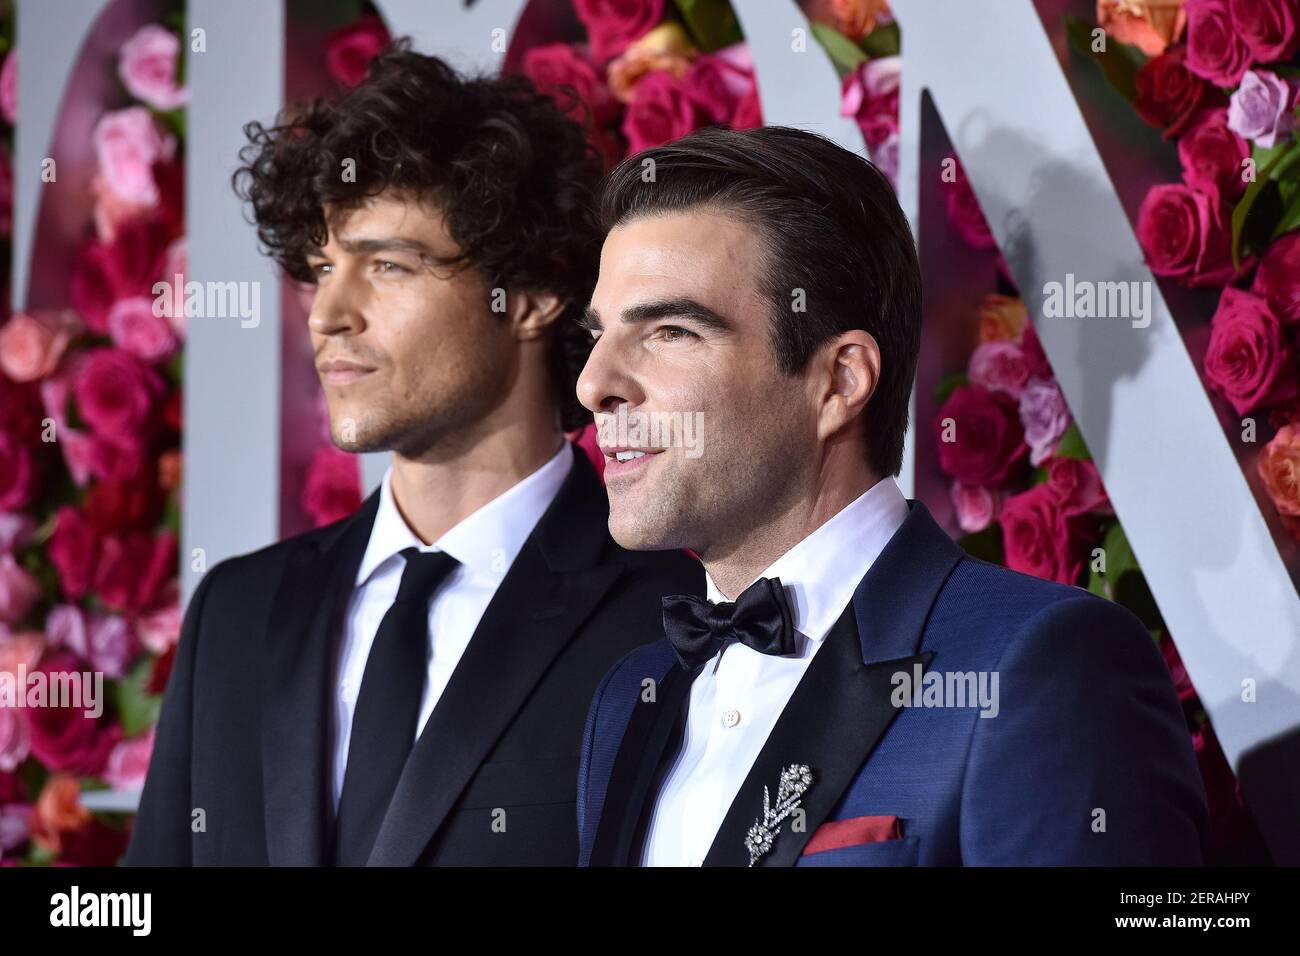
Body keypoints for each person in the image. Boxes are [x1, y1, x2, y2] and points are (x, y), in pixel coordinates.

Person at [126, 44, 702, 867]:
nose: (329, 313)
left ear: (534, 296)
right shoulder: (236, 613)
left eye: (388, 266)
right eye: (322, 268)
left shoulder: (676, 619)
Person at [574, 125, 1208, 866]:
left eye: (672, 332)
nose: (594, 385)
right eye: (598, 335)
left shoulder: (1041, 667)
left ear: (840, 381)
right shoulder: (629, 700)